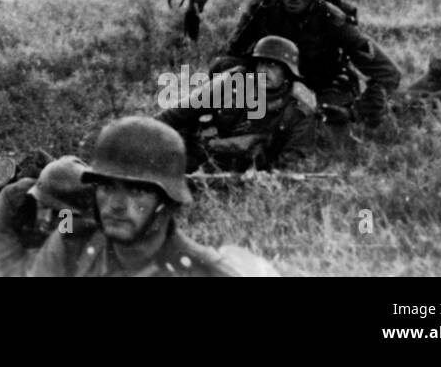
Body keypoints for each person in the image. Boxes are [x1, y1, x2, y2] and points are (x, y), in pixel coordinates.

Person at [28, 117, 276, 277]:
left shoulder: (206, 272)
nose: (116, 204)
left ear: (167, 201)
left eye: (137, 191)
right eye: (107, 187)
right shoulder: (70, 247)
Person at [211, 0, 401, 127]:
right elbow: (233, 52)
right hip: (275, 79)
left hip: (322, 80)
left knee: (329, 126)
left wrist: (355, 112)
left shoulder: (333, 19)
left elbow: (387, 73)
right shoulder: (262, 8)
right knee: (224, 68)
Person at [156, 35, 316, 172]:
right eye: (261, 63)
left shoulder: (298, 108)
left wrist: (265, 176)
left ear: (288, 72)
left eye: (273, 66)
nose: (264, 71)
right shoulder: (232, 82)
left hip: (255, 170)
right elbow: (178, 114)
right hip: (203, 156)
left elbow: (294, 158)